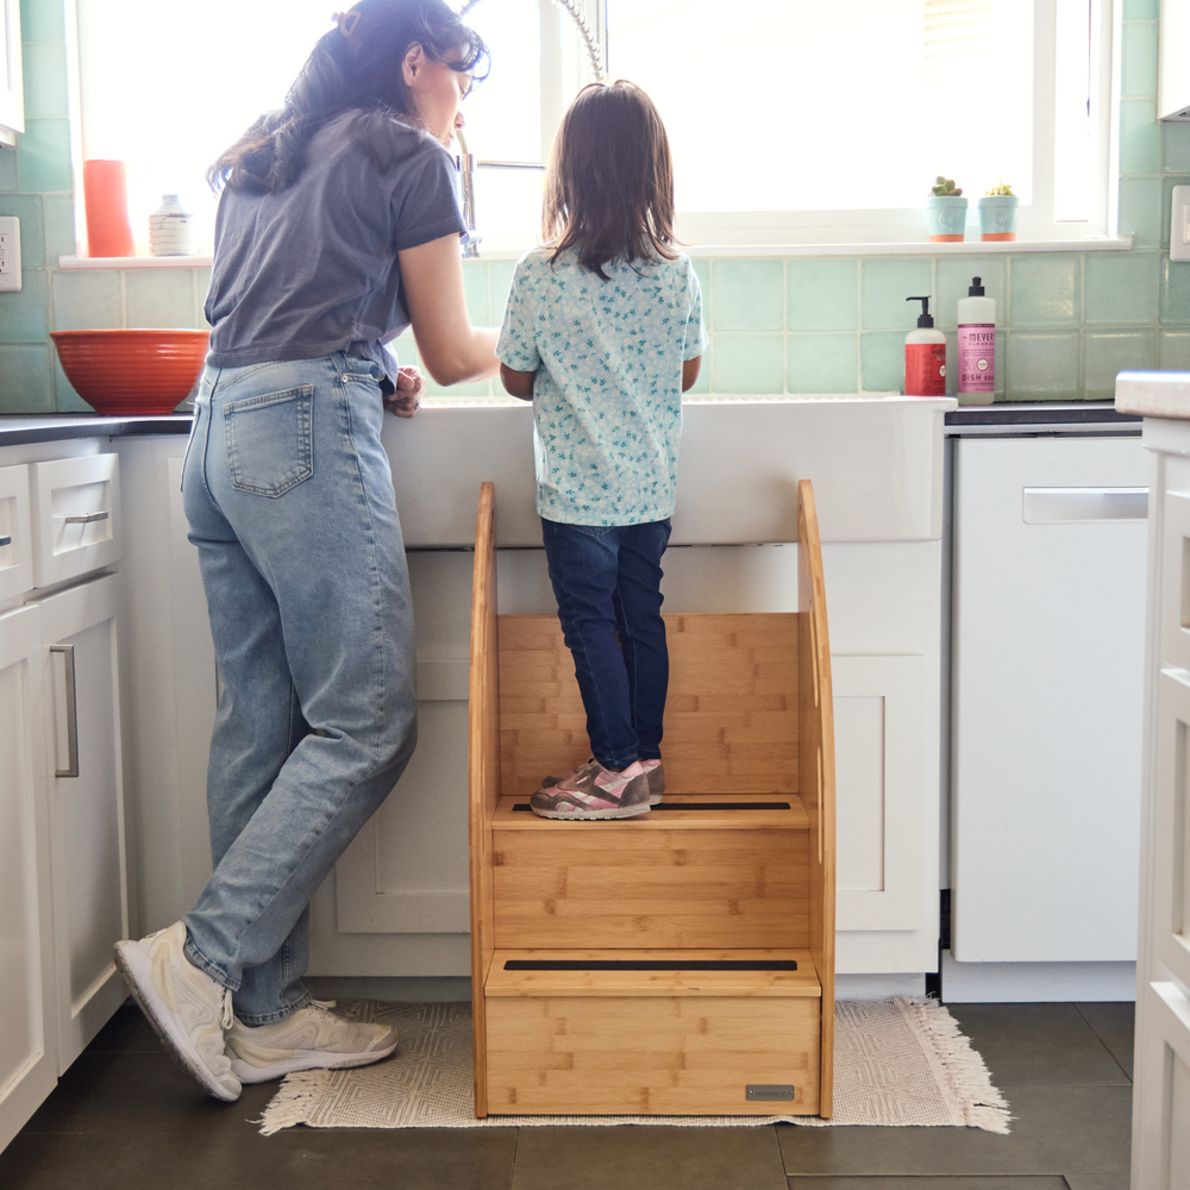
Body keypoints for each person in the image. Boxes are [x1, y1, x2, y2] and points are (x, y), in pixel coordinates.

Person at [113, 0, 498, 1103]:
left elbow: (274, 309)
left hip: (217, 427)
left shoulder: (259, 150)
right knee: (370, 720)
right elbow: (455, 345)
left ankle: (266, 1016)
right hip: (302, 431)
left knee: (263, 720)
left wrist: (375, 368)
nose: (460, 102)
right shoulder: (408, 152)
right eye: (460, 77)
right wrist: (546, 345)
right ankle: (202, 954)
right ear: (416, 62)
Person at [496, 80, 706, 822]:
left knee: (591, 625)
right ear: (655, 172)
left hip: (578, 496)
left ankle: (616, 770)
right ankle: (641, 759)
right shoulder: (678, 274)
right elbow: (686, 371)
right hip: (648, 490)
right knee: (640, 618)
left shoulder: (539, 275)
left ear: (570, 174)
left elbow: (515, 378)